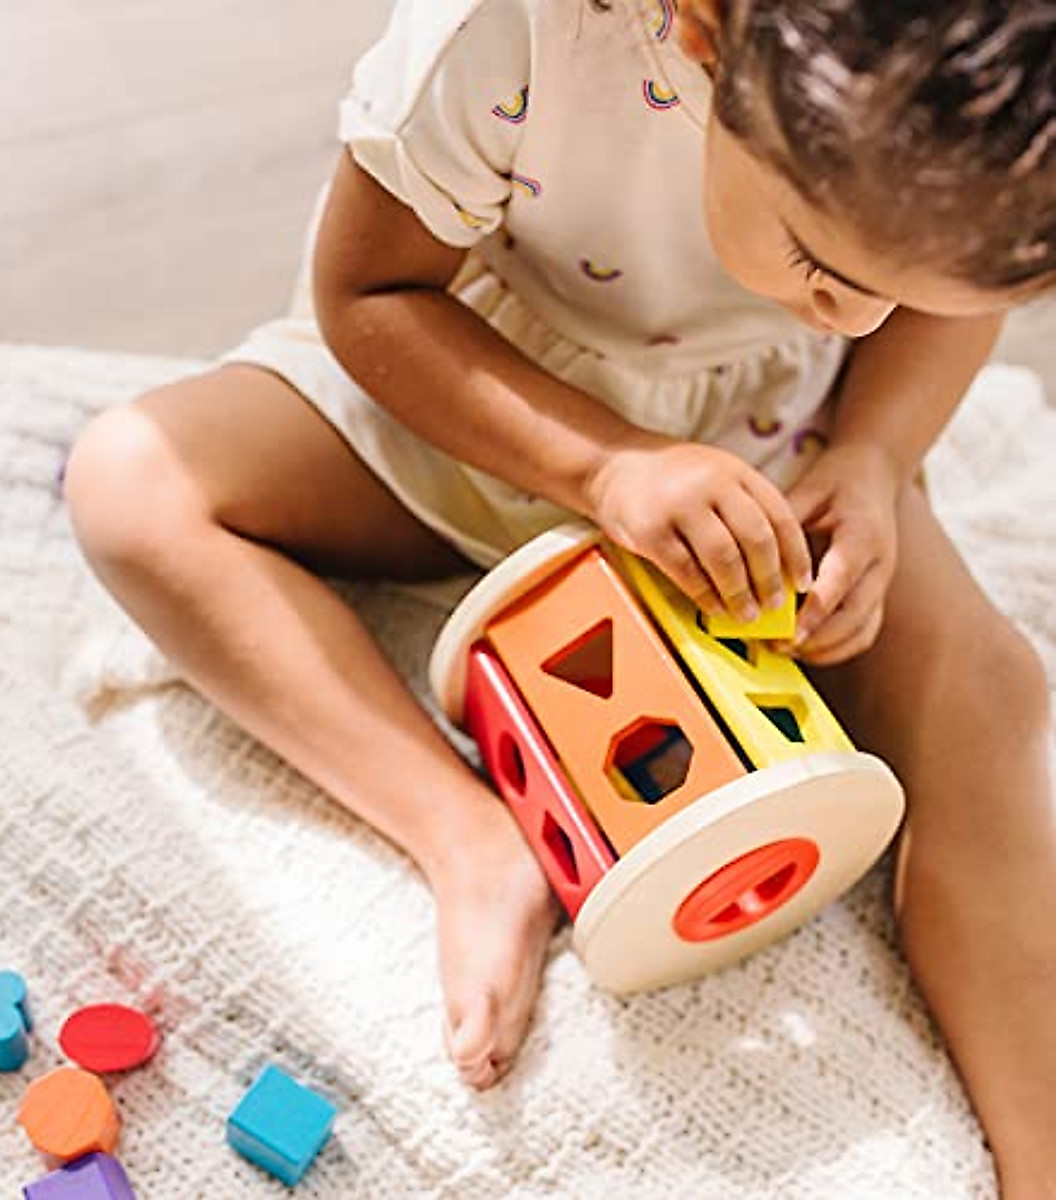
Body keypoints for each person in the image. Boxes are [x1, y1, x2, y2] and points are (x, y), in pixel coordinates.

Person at [62, 0, 1055, 1189]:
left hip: (767, 455)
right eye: (826, 269)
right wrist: (604, 466)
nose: (867, 318)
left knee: (990, 698)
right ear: (702, 37)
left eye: (907, 294)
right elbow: (371, 299)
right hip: (479, 404)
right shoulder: (509, 32)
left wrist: (878, 460)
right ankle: (469, 837)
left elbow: (946, 299)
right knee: (131, 484)